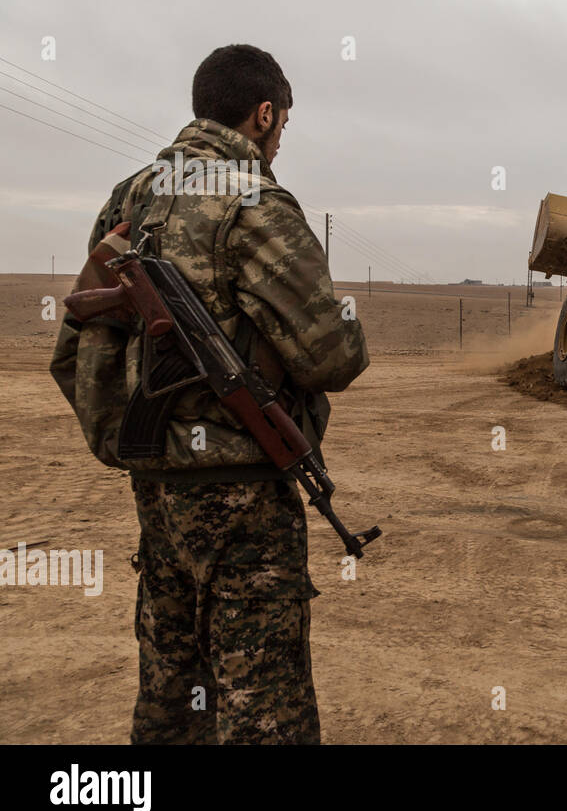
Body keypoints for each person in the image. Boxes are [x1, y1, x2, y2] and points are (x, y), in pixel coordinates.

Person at [50, 44, 369, 743]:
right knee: (264, 706)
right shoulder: (253, 199)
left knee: (171, 694)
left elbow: (77, 340)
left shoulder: (131, 194)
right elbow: (332, 355)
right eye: (282, 123)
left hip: (156, 490)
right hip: (244, 500)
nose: (281, 138)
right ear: (263, 114)